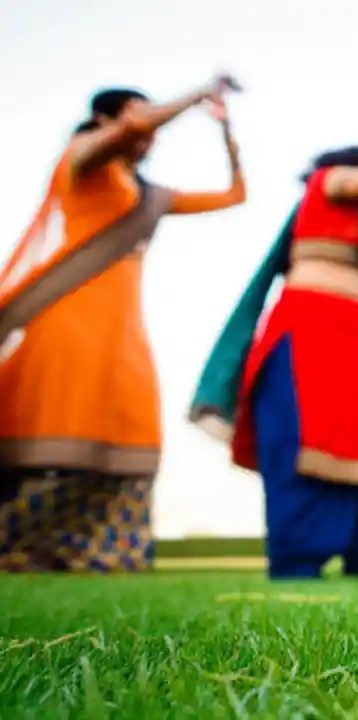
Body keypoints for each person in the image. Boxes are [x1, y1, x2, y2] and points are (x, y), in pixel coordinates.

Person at [0, 77, 246, 572]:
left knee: (126, 419)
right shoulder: (82, 160)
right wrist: (196, 93)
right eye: (138, 116)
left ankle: (101, 551)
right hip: (66, 311)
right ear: (105, 119)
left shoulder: (148, 194)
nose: (149, 130)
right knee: (62, 418)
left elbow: (234, 196)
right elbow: (132, 129)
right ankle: (19, 543)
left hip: (122, 322)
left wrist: (226, 131)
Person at [189, 147, 358, 580]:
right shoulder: (326, 184)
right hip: (303, 332)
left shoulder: (357, 229)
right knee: (303, 436)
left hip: (345, 340)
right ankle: (296, 557)